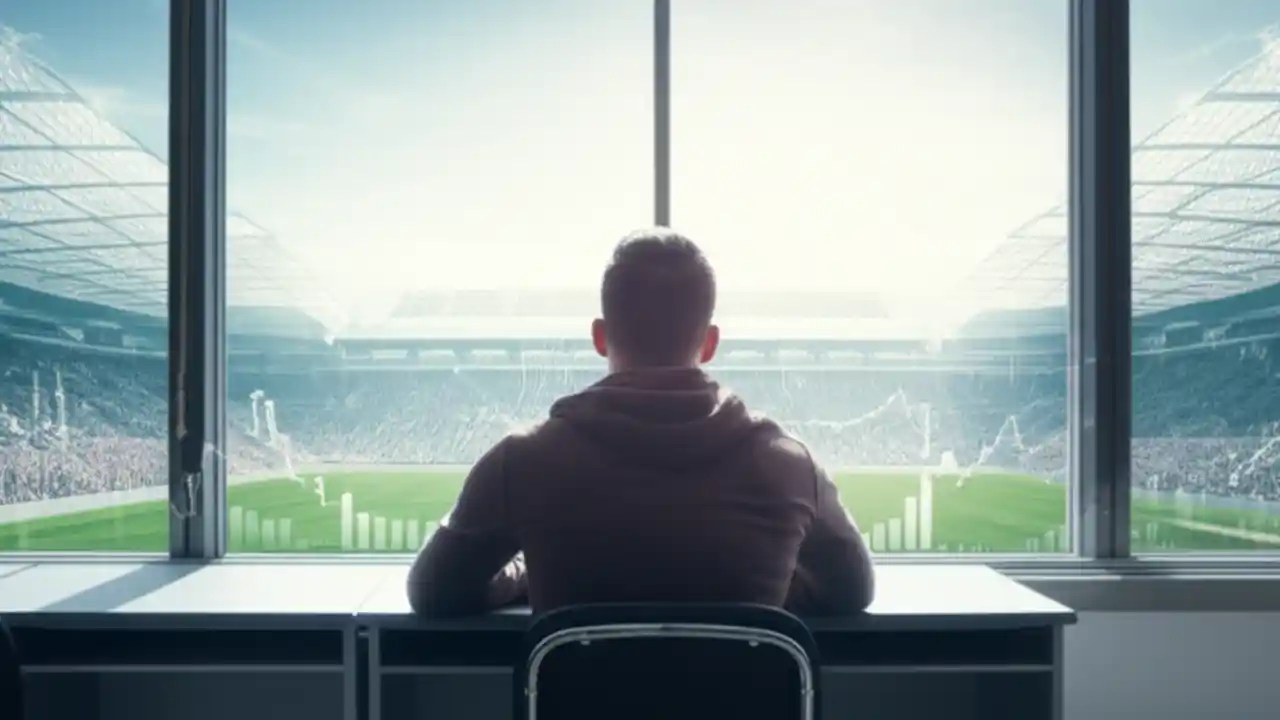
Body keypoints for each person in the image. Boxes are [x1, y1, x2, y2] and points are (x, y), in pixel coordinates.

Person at [407, 229, 875, 616]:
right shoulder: (787, 466)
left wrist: (519, 581)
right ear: (710, 344)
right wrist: (761, 595)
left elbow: (431, 592)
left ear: (599, 337)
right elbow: (853, 592)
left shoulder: (524, 460)